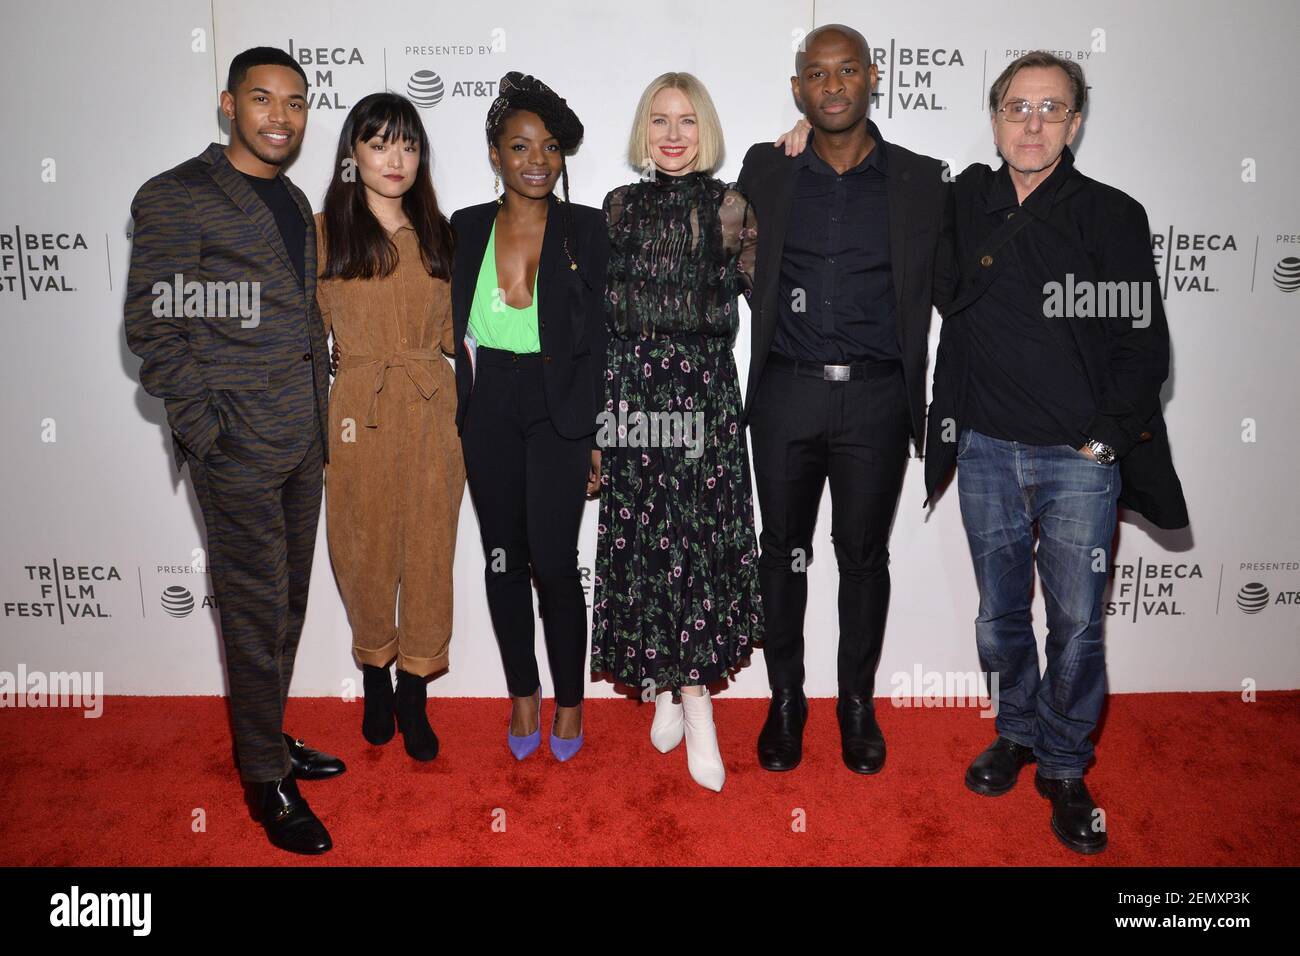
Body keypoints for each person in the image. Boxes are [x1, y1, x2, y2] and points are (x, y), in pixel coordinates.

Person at [924, 51, 1188, 854]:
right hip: (985, 449)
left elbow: (1144, 344)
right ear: (994, 115)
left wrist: (1106, 440)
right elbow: (881, 179)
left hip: (1079, 460)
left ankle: (1066, 765)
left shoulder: (1111, 214)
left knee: (1076, 626)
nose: (1032, 123)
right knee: (999, 616)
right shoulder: (965, 200)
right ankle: (1017, 732)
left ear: (1075, 121)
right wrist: (795, 137)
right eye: (1017, 107)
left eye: (1051, 108)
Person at [124, 47, 341, 855]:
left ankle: (270, 741)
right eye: (261, 98)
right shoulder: (177, 195)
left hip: (302, 440)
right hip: (237, 450)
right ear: (228, 105)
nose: (280, 115)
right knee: (252, 616)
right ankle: (264, 782)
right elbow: (152, 328)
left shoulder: (289, 197)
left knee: (283, 610)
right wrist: (210, 434)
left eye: (294, 101)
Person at [739, 24, 955, 775]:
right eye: (817, 74)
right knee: (782, 557)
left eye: (847, 71)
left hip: (877, 400)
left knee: (863, 559)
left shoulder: (924, 180)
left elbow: (963, 283)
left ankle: (855, 705)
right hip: (786, 396)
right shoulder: (766, 170)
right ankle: (786, 701)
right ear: (798, 88)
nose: (832, 85)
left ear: (872, 79)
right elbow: (726, 255)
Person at [590, 73, 763, 793]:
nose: (672, 134)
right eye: (659, 120)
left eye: (687, 121)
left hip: (702, 394)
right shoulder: (617, 210)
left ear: (706, 129)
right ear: (642, 129)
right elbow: (596, 319)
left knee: (694, 543)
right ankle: (663, 683)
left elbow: (778, 296)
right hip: (632, 393)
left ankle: (696, 703)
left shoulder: (730, 209)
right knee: (644, 536)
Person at [450, 73, 608, 763]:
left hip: (559, 408)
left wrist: (599, 431)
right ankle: (523, 693)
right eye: (520, 146)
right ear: (495, 154)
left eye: (548, 147)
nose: (537, 160)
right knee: (503, 558)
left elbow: (606, 337)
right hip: (489, 406)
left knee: (555, 563)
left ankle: (569, 701)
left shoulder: (587, 227)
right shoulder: (464, 228)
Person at [317, 92, 463, 763]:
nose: (395, 158)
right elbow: (298, 336)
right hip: (356, 414)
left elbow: (463, 338)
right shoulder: (324, 234)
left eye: (407, 143)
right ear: (353, 154)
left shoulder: (442, 233)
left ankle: (415, 691)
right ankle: (376, 673)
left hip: (433, 411)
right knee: (363, 549)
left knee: (430, 554)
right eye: (379, 143)